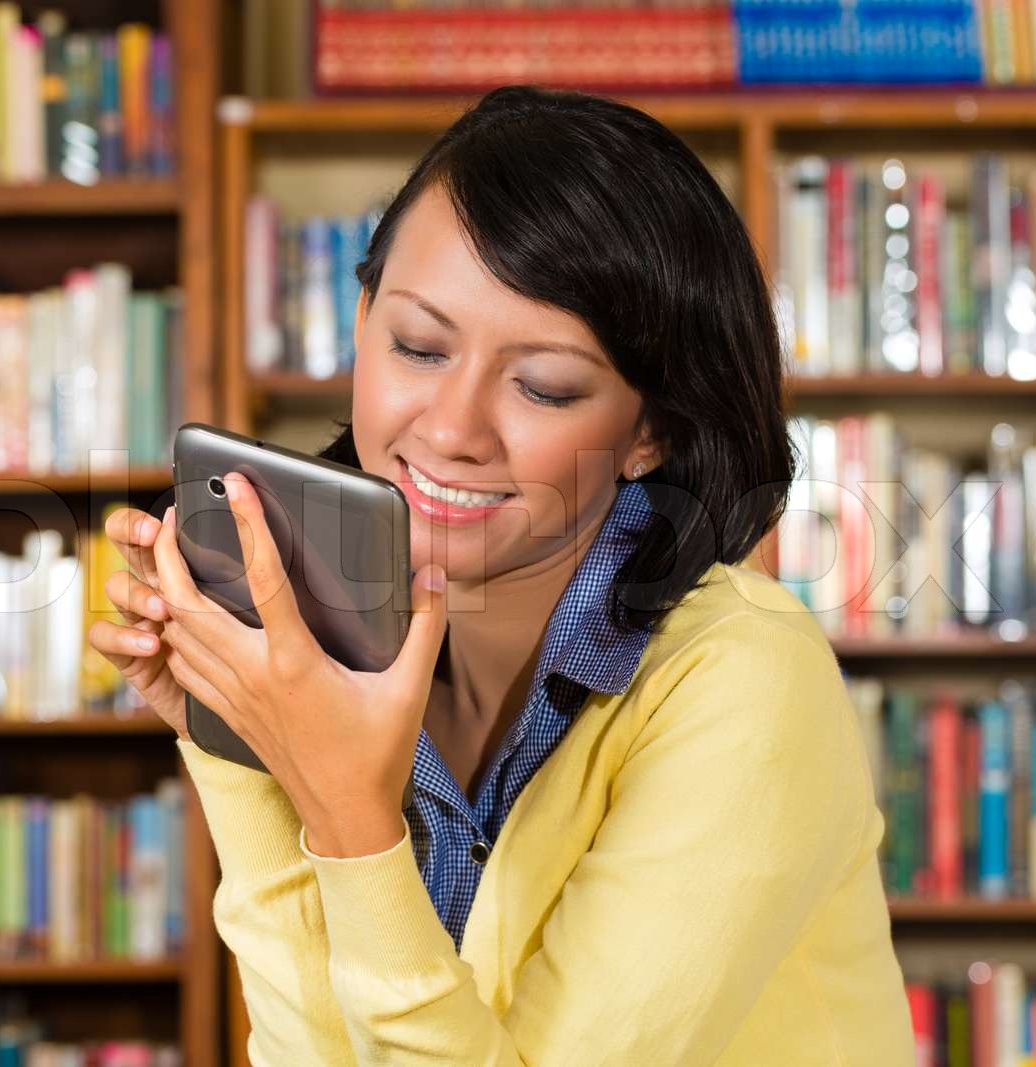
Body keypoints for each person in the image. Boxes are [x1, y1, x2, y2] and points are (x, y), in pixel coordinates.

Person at [88, 85, 912, 1065]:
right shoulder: (346, 656)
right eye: (417, 346)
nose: (449, 428)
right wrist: (239, 744)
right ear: (361, 321)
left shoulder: (746, 679)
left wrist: (353, 821)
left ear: (649, 431)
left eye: (544, 386)